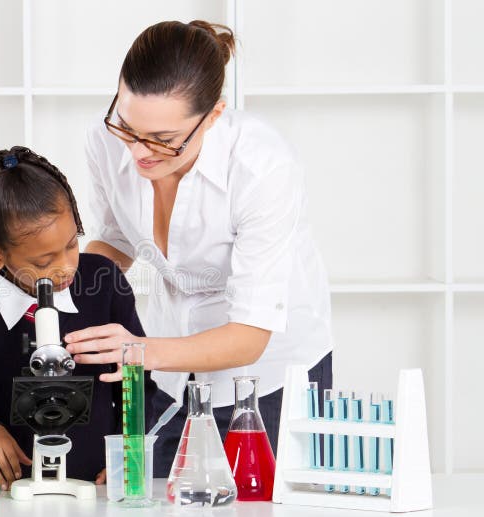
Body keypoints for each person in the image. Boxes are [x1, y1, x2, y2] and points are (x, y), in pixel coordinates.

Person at [64, 20, 333, 476]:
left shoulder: (261, 167)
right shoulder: (106, 140)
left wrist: (138, 352)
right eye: (128, 127)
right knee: (157, 498)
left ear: (213, 116)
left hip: (268, 377)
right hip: (168, 365)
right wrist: (64, 291)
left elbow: (249, 335)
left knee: (262, 506)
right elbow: (116, 239)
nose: (139, 152)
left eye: (164, 140)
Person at [0, 146, 156, 490]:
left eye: (72, 244)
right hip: (9, 495)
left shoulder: (105, 283)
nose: (65, 267)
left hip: (98, 488)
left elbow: (139, 385)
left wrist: (130, 448)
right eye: (43, 261)